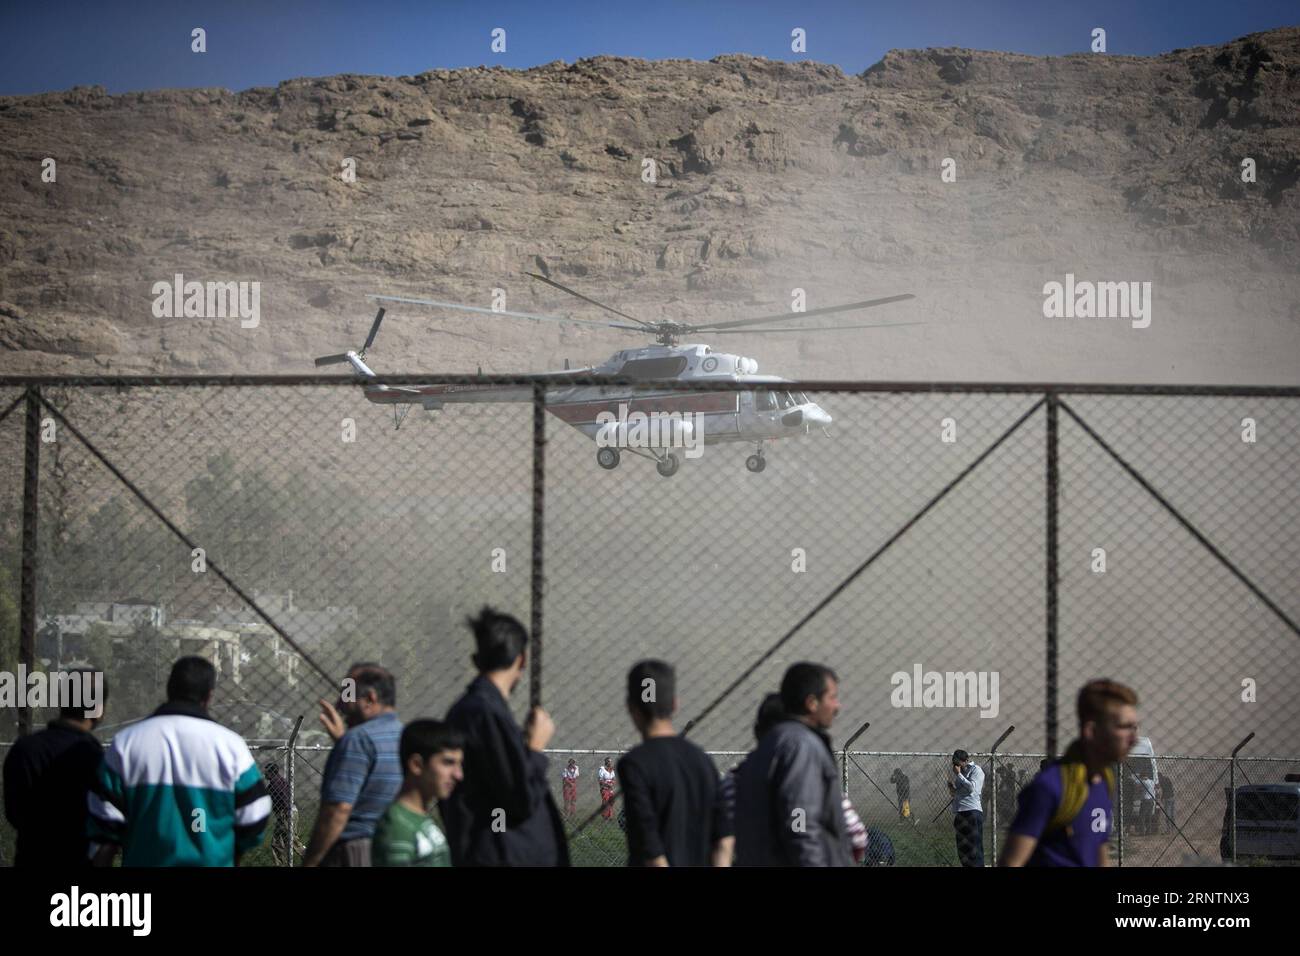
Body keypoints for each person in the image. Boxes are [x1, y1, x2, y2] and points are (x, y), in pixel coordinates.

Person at [86, 656, 270, 866]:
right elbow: (255, 816)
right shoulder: (231, 747)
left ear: (169, 689)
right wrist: (230, 853)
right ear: (209, 696)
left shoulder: (126, 743)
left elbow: (103, 819)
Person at [440, 606, 568, 866]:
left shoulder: (479, 710)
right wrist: (535, 749)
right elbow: (519, 798)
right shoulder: (484, 713)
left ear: (477, 659)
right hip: (500, 855)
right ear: (521, 660)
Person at [999, 679, 1139, 867]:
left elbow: (1098, 851)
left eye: (1134, 727)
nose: (1134, 739)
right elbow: (1011, 862)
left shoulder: (1103, 783)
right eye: (1124, 727)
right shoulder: (1049, 787)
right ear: (1092, 730)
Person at [734, 662, 854, 866]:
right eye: (832, 697)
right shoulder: (801, 746)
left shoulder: (772, 742)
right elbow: (800, 819)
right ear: (812, 703)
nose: (837, 706)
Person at [617, 660, 732, 866]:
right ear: (675, 704)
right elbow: (724, 839)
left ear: (631, 708)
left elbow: (650, 847)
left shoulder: (634, 764)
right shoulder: (702, 760)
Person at [3, 668, 106, 868]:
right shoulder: (97, 757)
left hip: (31, 858)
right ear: (99, 709)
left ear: (61, 701)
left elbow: (14, 812)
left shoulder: (25, 749)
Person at [303, 663, 402, 867]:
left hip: (354, 852)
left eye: (348, 695)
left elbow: (338, 810)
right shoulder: (403, 735)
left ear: (370, 699)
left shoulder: (358, 741)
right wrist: (344, 742)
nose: (340, 704)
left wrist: (310, 862)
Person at [372, 719, 464, 867]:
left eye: (459, 764)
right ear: (417, 765)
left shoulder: (420, 817)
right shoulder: (397, 826)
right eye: (448, 763)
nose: (458, 775)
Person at [950, 749, 985, 867]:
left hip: (972, 812)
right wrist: (952, 789)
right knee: (962, 848)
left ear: (965, 761)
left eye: (957, 763)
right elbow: (959, 794)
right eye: (954, 763)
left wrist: (958, 774)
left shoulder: (976, 770)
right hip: (960, 812)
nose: (956, 766)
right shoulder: (962, 773)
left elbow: (971, 788)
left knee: (974, 847)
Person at [264, 762, 293, 866]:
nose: (264, 774)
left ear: (271, 772)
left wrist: (286, 812)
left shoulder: (276, 783)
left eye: (266, 772)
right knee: (289, 842)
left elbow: (284, 797)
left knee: (279, 843)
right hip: (286, 813)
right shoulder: (276, 782)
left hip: (285, 814)